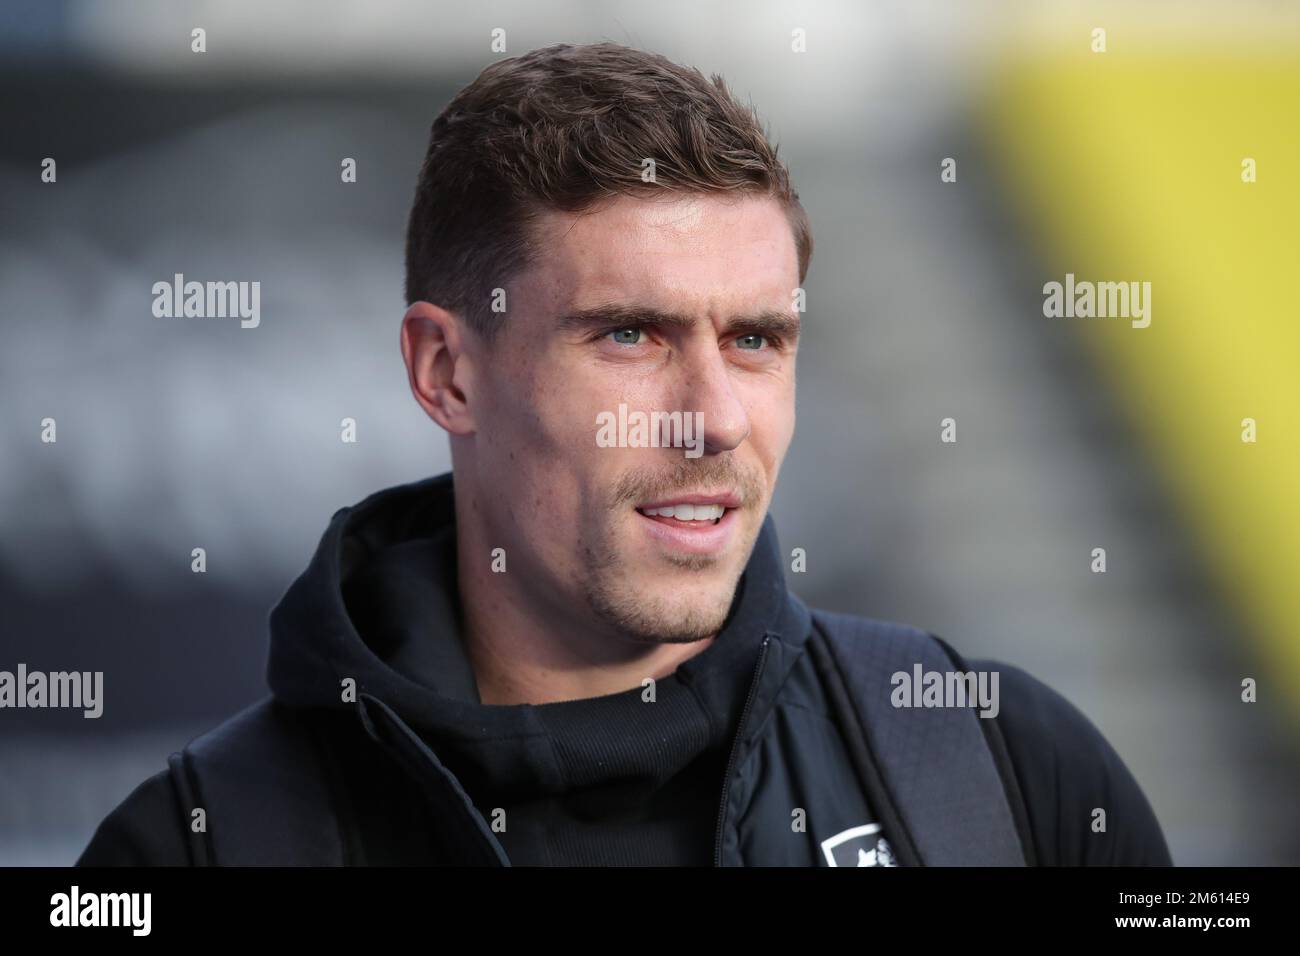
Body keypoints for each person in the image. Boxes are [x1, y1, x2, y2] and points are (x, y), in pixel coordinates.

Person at [78, 42, 1171, 867]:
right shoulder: (195, 848)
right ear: (445, 373)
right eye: (629, 335)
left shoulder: (1008, 770)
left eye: (754, 340)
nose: (714, 418)